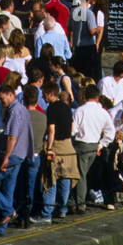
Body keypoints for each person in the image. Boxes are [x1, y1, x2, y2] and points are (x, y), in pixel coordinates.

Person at [0, 83, 34, 236]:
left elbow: (12, 136)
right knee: (8, 190)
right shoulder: (20, 109)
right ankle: (1, 227)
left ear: (11, 95)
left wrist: (5, 157)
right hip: (19, 155)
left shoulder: (15, 111)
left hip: (11, 155)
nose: (0, 102)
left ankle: (9, 210)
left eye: (2, 98)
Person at [71, 84, 116, 211]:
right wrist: (101, 144)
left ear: (85, 96)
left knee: (81, 175)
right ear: (97, 97)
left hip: (82, 145)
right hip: (96, 145)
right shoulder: (103, 113)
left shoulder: (80, 110)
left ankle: (80, 203)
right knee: (90, 174)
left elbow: (73, 131)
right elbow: (110, 132)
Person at [41, 80, 78, 222]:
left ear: (51, 94)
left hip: (56, 145)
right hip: (68, 145)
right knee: (65, 179)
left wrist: (49, 148)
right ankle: (62, 209)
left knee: (51, 179)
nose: (43, 97)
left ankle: (46, 213)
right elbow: (72, 127)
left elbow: (51, 130)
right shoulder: (67, 107)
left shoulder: (51, 108)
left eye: (45, 94)